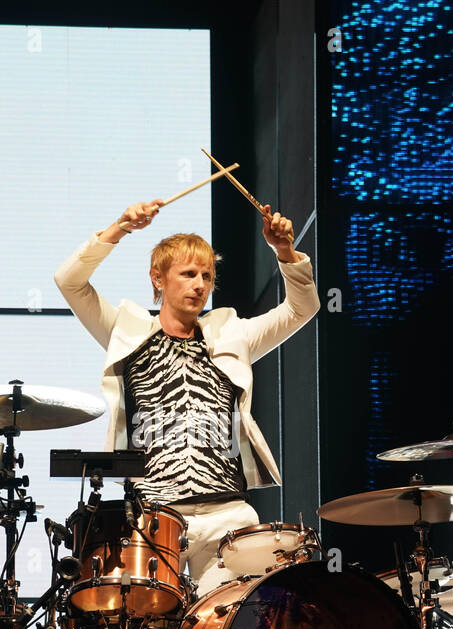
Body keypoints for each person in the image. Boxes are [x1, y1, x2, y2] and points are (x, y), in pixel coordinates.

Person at [54, 198, 319, 595]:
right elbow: (69, 281)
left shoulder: (232, 333)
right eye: (189, 273)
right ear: (158, 279)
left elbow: (302, 308)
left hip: (228, 513)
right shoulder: (126, 331)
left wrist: (284, 251)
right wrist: (121, 227)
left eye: (208, 276)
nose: (200, 284)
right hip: (155, 516)